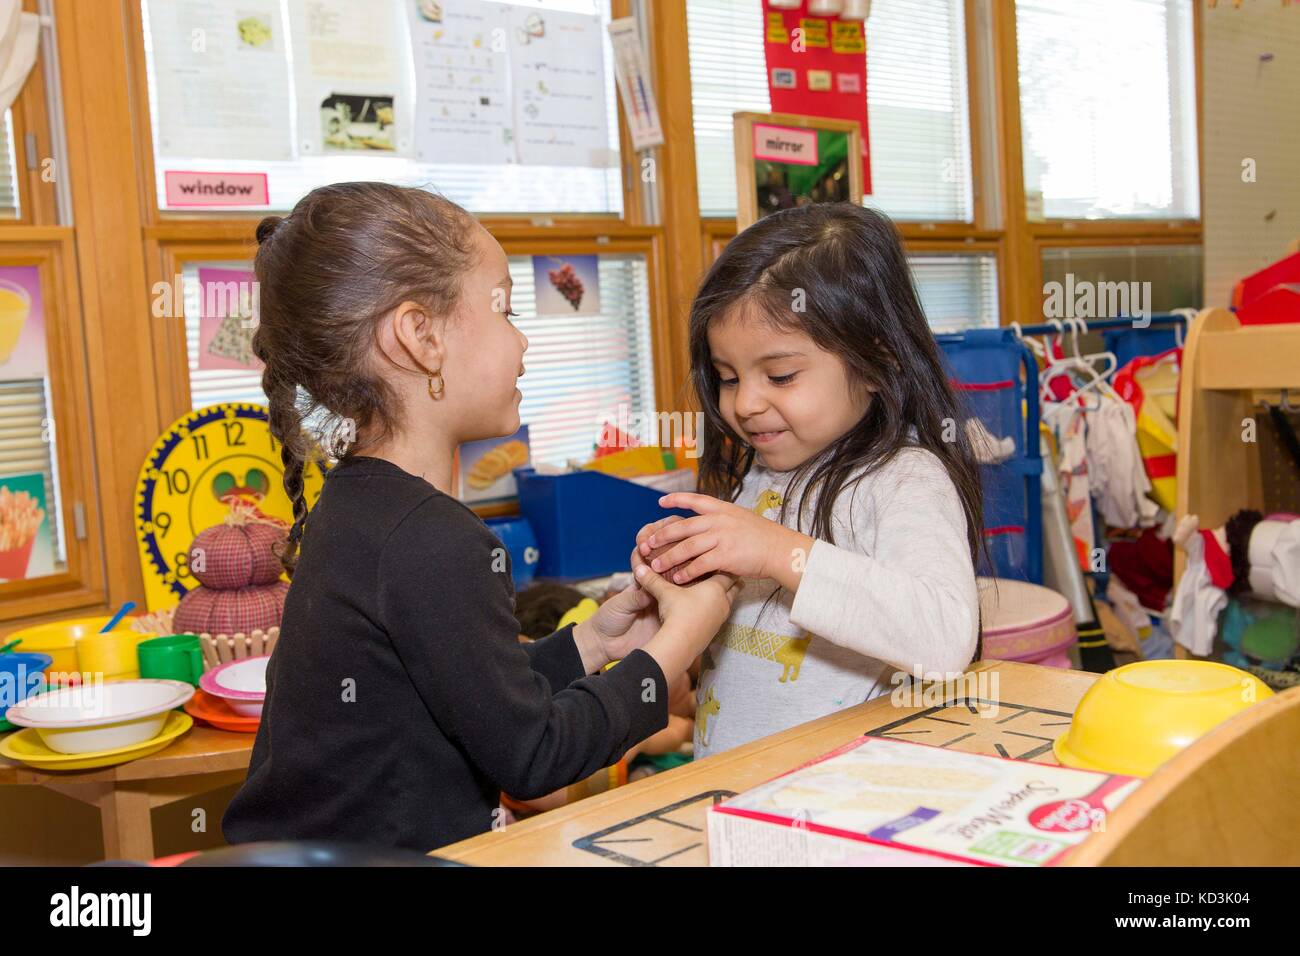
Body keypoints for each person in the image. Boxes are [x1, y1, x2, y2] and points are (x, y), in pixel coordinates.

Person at [222, 182, 739, 850]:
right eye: (504, 310)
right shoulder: (433, 540)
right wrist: (678, 645)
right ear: (420, 337)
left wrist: (595, 642)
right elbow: (535, 756)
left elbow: (475, 694)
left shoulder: (359, 504)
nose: (522, 342)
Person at [634, 202, 984, 758]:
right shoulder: (761, 473)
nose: (744, 404)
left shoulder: (904, 479)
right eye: (727, 378)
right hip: (737, 784)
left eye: (780, 376)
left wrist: (780, 552)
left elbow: (944, 638)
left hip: (839, 794)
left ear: (875, 362)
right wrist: (671, 592)